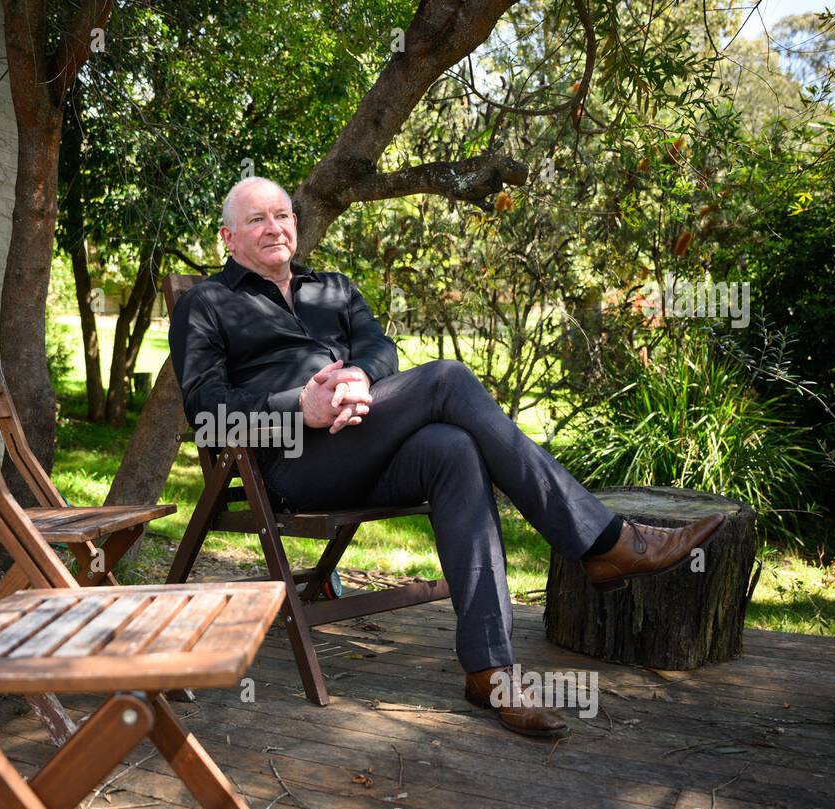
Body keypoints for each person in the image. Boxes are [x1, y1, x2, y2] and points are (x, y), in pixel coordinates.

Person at [169, 176, 724, 739]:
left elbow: (380, 349)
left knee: (455, 449)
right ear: (228, 237)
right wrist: (299, 408)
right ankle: (607, 543)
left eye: (282, 215)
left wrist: (362, 375)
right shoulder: (207, 304)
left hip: (367, 443)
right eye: (257, 219)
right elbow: (208, 414)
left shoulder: (332, 289)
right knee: (448, 380)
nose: (274, 227)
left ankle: (490, 670)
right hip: (296, 465)